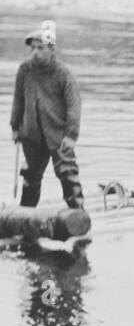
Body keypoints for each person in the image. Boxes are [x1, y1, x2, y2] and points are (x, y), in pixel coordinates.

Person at [9, 20, 84, 209]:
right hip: (32, 133)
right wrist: (15, 126)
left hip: (58, 134)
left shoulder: (63, 73)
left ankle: (78, 214)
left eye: (40, 48)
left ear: (51, 50)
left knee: (68, 173)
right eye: (33, 48)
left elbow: (74, 106)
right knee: (30, 176)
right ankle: (25, 217)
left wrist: (71, 135)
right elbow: (18, 99)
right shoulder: (25, 69)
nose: (35, 52)